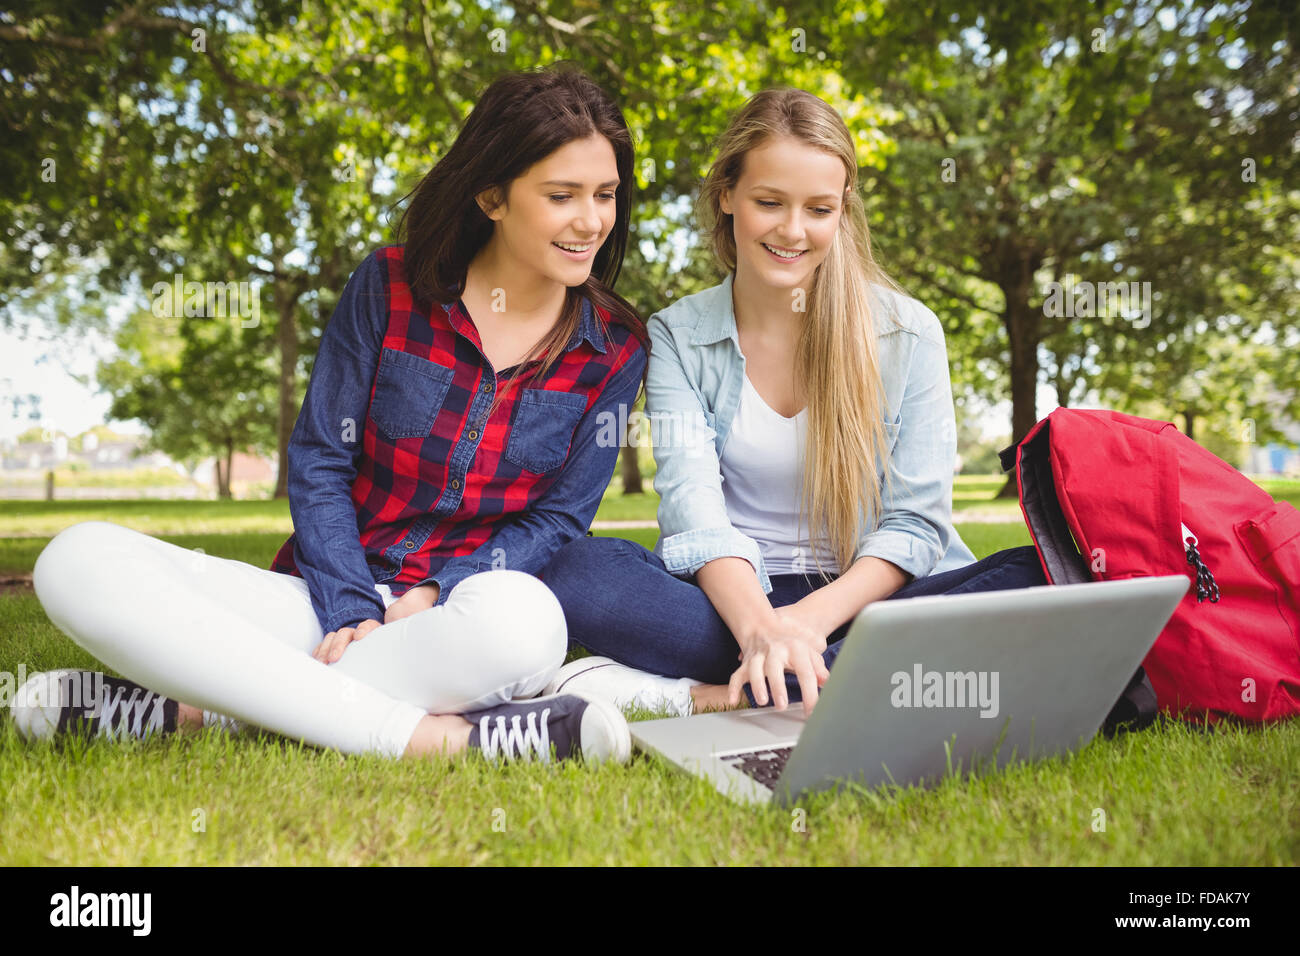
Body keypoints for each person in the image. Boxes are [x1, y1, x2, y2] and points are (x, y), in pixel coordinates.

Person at [12, 65, 648, 765]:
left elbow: (558, 520)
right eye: (563, 195)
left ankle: (201, 712)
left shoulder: (615, 347)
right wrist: (352, 606)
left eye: (606, 195)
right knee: (76, 560)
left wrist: (437, 591)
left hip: (461, 617)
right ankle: (441, 739)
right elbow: (320, 457)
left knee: (527, 629)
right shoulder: (390, 285)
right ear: (492, 195)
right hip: (318, 598)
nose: (591, 220)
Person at [539, 88, 1046, 718]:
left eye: (818, 209)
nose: (792, 230)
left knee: (1041, 572)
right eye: (769, 202)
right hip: (733, 604)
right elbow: (694, 511)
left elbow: (916, 526)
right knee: (580, 571)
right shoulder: (677, 333)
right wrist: (762, 627)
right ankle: (852, 678)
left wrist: (803, 625)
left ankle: (730, 691)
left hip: (869, 599)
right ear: (727, 195)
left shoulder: (909, 334)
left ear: (842, 211)